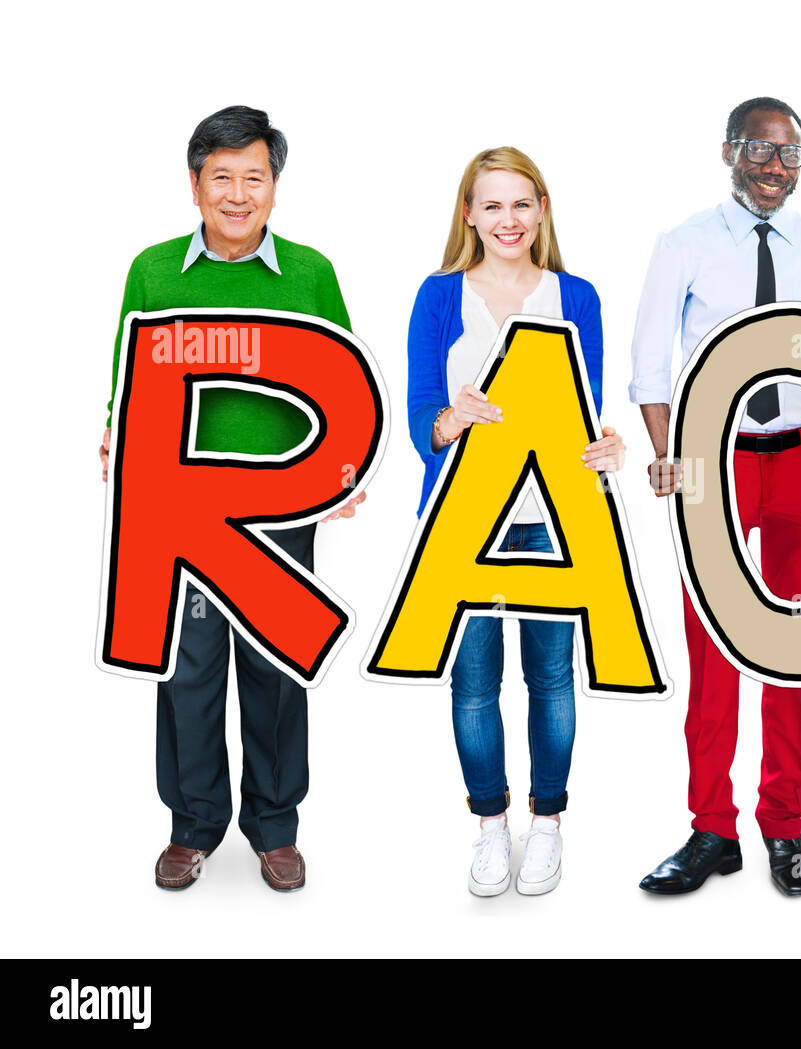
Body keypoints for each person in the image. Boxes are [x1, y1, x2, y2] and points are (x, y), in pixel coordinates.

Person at [99, 105, 363, 893]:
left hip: (283, 509)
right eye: (222, 178)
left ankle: (275, 828)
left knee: (277, 669)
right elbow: (129, 372)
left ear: (275, 187)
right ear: (194, 185)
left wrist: (347, 467)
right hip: (178, 510)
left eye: (254, 177)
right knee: (186, 669)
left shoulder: (310, 273)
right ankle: (192, 825)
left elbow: (349, 384)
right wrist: (117, 435)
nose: (238, 194)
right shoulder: (153, 271)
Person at [630, 97, 801, 897]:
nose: (776, 167)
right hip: (717, 462)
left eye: (790, 154)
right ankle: (712, 828)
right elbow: (650, 367)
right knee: (714, 653)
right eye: (761, 150)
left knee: (795, 644)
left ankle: (785, 824)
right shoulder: (684, 245)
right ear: (728, 151)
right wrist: (671, 460)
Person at [406, 147, 625, 897]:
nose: (508, 219)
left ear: (543, 213)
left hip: (551, 524)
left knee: (552, 678)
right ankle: (492, 826)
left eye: (522, 204)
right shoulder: (438, 297)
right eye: (492, 204)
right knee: (472, 683)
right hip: (462, 518)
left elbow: (588, 410)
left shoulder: (577, 295)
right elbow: (417, 421)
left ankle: (549, 824)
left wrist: (608, 444)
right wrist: (450, 419)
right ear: (469, 213)